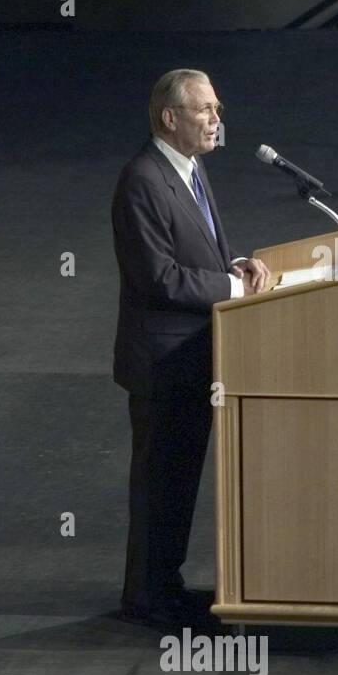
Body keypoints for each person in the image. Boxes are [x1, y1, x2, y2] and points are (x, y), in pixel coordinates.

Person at [111, 68, 273, 628]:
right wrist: (233, 288)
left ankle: (167, 585)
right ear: (169, 118)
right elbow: (157, 276)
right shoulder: (142, 179)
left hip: (194, 355)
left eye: (217, 107)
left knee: (179, 479)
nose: (216, 118)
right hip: (162, 361)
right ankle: (146, 599)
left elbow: (194, 250)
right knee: (159, 484)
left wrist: (232, 266)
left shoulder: (189, 168)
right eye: (204, 109)